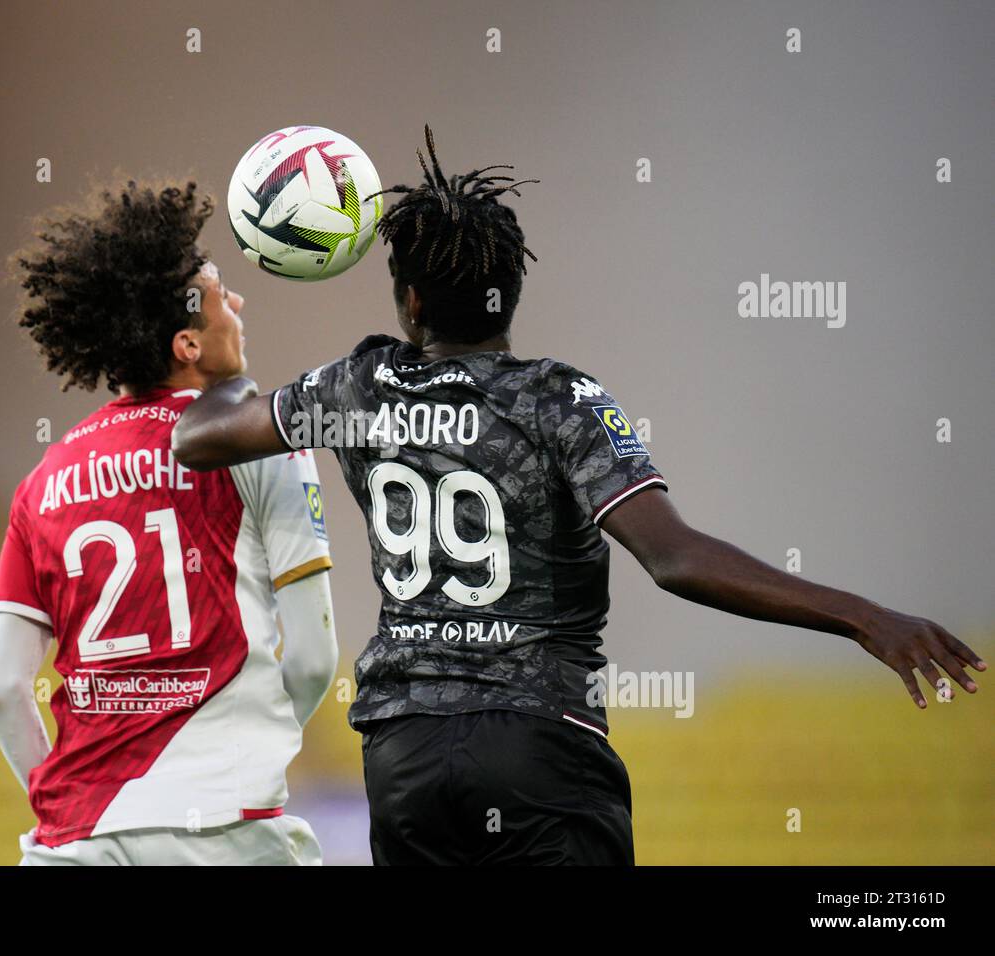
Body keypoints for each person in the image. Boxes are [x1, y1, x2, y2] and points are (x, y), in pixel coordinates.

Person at [170, 125, 984, 866]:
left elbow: (199, 436)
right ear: (511, 293)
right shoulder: (558, 399)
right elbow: (676, 558)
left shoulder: (358, 385)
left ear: (410, 303)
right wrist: (863, 616)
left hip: (403, 755)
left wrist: (224, 351)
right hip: (538, 750)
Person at [0, 178, 337, 865]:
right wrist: (234, 754)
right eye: (218, 296)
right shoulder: (262, 444)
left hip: (75, 842)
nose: (237, 303)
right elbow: (316, 659)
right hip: (227, 831)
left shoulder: (42, 482)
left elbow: (1, 692)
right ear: (188, 345)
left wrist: (78, 805)